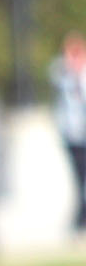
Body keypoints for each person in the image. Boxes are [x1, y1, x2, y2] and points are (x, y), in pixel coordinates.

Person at [52, 31, 86, 234]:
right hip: (72, 135)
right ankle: (80, 218)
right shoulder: (62, 74)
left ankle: (80, 218)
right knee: (79, 179)